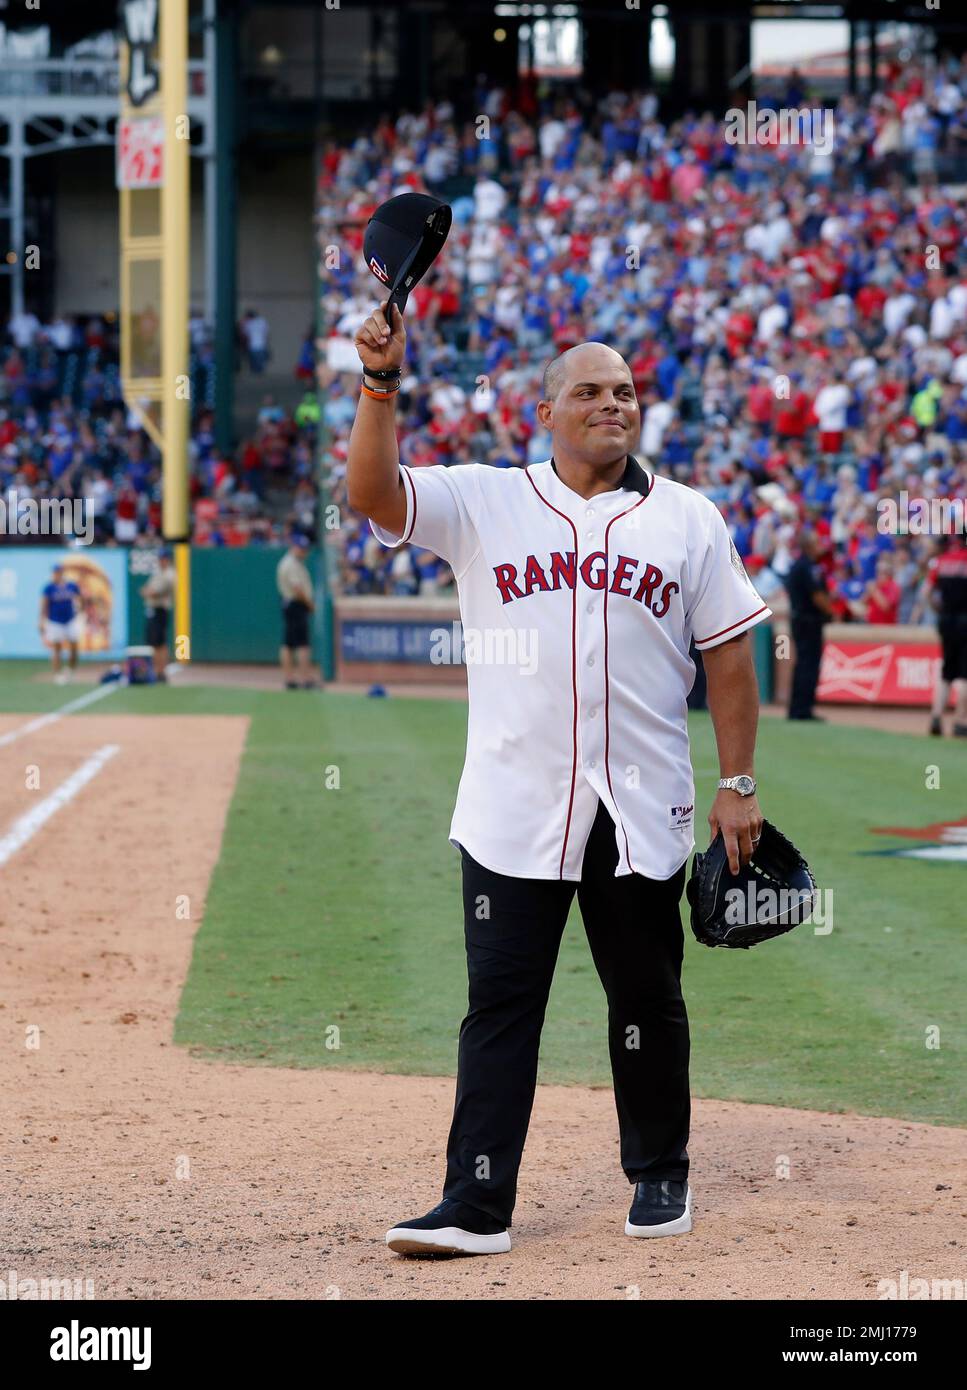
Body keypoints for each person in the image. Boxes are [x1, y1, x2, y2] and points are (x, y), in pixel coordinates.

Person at [349, 300, 773, 1256]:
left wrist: (737, 782)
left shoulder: (687, 519)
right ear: (546, 411)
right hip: (511, 807)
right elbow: (375, 496)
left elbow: (734, 653)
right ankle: (475, 1206)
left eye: (623, 392)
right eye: (587, 391)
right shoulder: (486, 500)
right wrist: (380, 384)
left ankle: (659, 1174)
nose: (610, 404)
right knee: (499, 1007)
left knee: (646, 999)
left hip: (638, 807)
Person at [785, 530, 835, 721]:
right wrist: (831, 611)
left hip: (800, 620)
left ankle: (798, 708)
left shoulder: (799, 565)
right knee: (808, 665)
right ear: (809, 546)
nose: (820, 546)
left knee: (803, 664)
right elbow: (817, 595)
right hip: (808, 622)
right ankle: (802, 710)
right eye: (816, 542)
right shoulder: (807, 567)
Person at [927, 534, 967, 737]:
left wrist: (939, 610)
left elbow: (928, 592)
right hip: (964, 620)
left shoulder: (942, 561)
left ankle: (936, 716)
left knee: (946, 672)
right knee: (964, 674)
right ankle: (961, 721)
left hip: (946, 620)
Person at [276, 532, 316, 689]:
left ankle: (291, 679)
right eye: (302, 548)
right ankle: (303, 679)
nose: (304, 552)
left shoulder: (293, 562)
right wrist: (310, 604)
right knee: (301, 644)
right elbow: (297, 589)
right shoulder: (291, 563)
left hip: (291, 604)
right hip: (295, 604)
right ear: (295, 547)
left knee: (289, 643)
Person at [40, 561, 82, 685]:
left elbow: (80, 599)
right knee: (57, 648)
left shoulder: (71, 586)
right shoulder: (49, 587)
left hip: (70, 620)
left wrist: (80, 609)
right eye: (55, 572)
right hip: (55, 621)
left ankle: (70, 670)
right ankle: (57, 674)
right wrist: (41, 621)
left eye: (58, 572)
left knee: (74, 648)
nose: (56, 574)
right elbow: (44, 605)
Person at [140, 548, 176, 681]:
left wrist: (147, 592)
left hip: (160, 610)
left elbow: (152, 592)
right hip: (154, 609)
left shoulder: (168, 574)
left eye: (163, 558)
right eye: (160, 558)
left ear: (167, 559)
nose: (161, 561)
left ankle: (160, 672)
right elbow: (146, 589)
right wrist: (146, 591)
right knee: (156, 643)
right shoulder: (160, 572)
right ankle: (158, 671)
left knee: (159, 643)